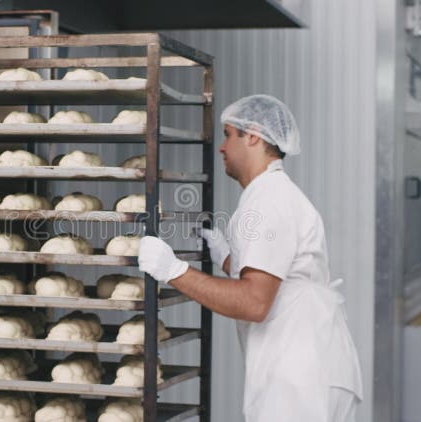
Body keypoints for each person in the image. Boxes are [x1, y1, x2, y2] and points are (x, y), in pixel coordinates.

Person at [138, 95, 363, 421]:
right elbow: (282, 272)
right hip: (308, 369)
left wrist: (174, 271)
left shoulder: (269, 201)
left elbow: (255, 302)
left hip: (301, 378)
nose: (222, 147)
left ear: (253, 135)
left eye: (229, 134)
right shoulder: (270, 194)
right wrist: (229, 259)